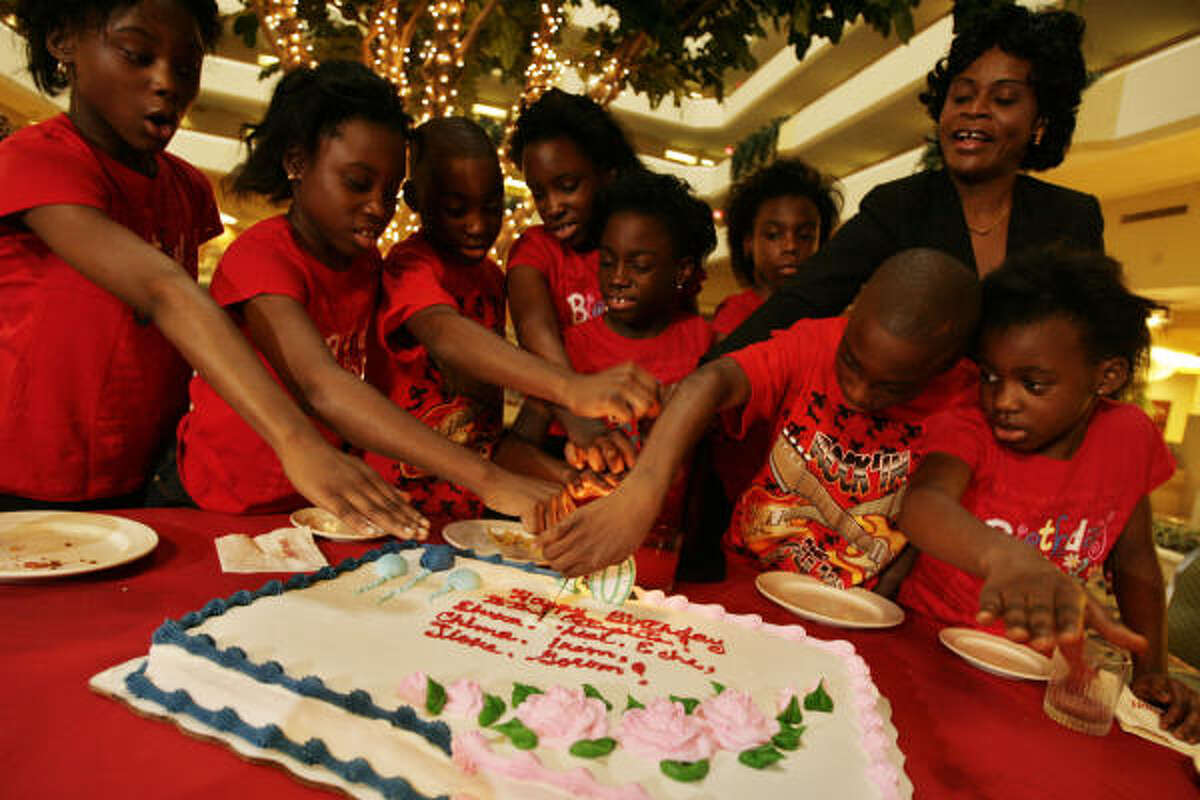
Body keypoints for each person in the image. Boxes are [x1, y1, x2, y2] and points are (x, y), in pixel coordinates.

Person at [0, 0, 414, 535]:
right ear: (62, 42)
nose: (166, 82)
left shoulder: (186, 188)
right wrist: (294, 439)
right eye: (137, 54)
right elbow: (163, 291)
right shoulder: (35, 159)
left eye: (186, 67)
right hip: (20, 481)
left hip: (136, 475)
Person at [170, 63, 571, 533]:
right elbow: (321, 386)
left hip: (318, 502)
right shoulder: (261, 258)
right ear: (296, 162)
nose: (378, 208)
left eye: (389, 192)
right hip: (222, 499)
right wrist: (489, 478)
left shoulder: (367, 266)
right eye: (358, 184)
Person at [542, 248, 980, 590]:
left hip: (853, 605)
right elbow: (707, 383)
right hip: (745, 575)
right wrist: (638, 496)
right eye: (850, 361)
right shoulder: (814, 341)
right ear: (854, 311)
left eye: (891, 387)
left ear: (945, 366)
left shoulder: (962, 397)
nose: (859, 392)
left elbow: (934, 506)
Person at [896, 248, 1199, 742]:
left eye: (1033, 385)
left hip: (1046, 678)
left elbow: (1136, 562)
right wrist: (1006, 559)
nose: (1003, 400)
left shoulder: (1129, 437)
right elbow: (924, 505)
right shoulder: (969, 425)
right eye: (991, 377)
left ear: (1106, 377)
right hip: (931, 649)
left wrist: (1152, 670)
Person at [714, 3, 1101, 358]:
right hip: (916, 427)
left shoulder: (1072, 217)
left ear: (1040, 123)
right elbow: (799, 304)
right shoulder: (898, 207)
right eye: (962, 96)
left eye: (1003, 100)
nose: (975, 111)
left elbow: (1091, 342)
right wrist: (703, 378)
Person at [365, 117, 657, 532]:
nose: (478, 225)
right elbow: (446, 334)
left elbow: (483, 434)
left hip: (470, 510)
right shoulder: (410, 266)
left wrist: (572, 480)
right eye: (455, 209)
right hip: (395, 504)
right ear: (415, 198)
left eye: (491, 206)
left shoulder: (490, 278)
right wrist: (570, 388)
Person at [518, 170, 716, 530]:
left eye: (639, 266)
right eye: (607, 261)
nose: (618, 277)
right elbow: (510, 452)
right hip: (581, 537)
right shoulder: (572, 347)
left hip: (659, 542)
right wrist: (567, 476)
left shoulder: (704, 343)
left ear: (682, 270)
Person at [506, 88, 645, 473]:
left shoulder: (641, 247)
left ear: (608, 176)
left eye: (567, 186)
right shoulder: (534, 250)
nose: (552, 206)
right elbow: (536, 335)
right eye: (539, 193)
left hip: (638, 436)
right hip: (555, 437)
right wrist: (580, 421)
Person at [711, 158, 840, 340]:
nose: (791, 246)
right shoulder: (736, 314)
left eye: (804, 236)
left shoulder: (824, 313)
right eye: (773, 235)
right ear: (748, 242)